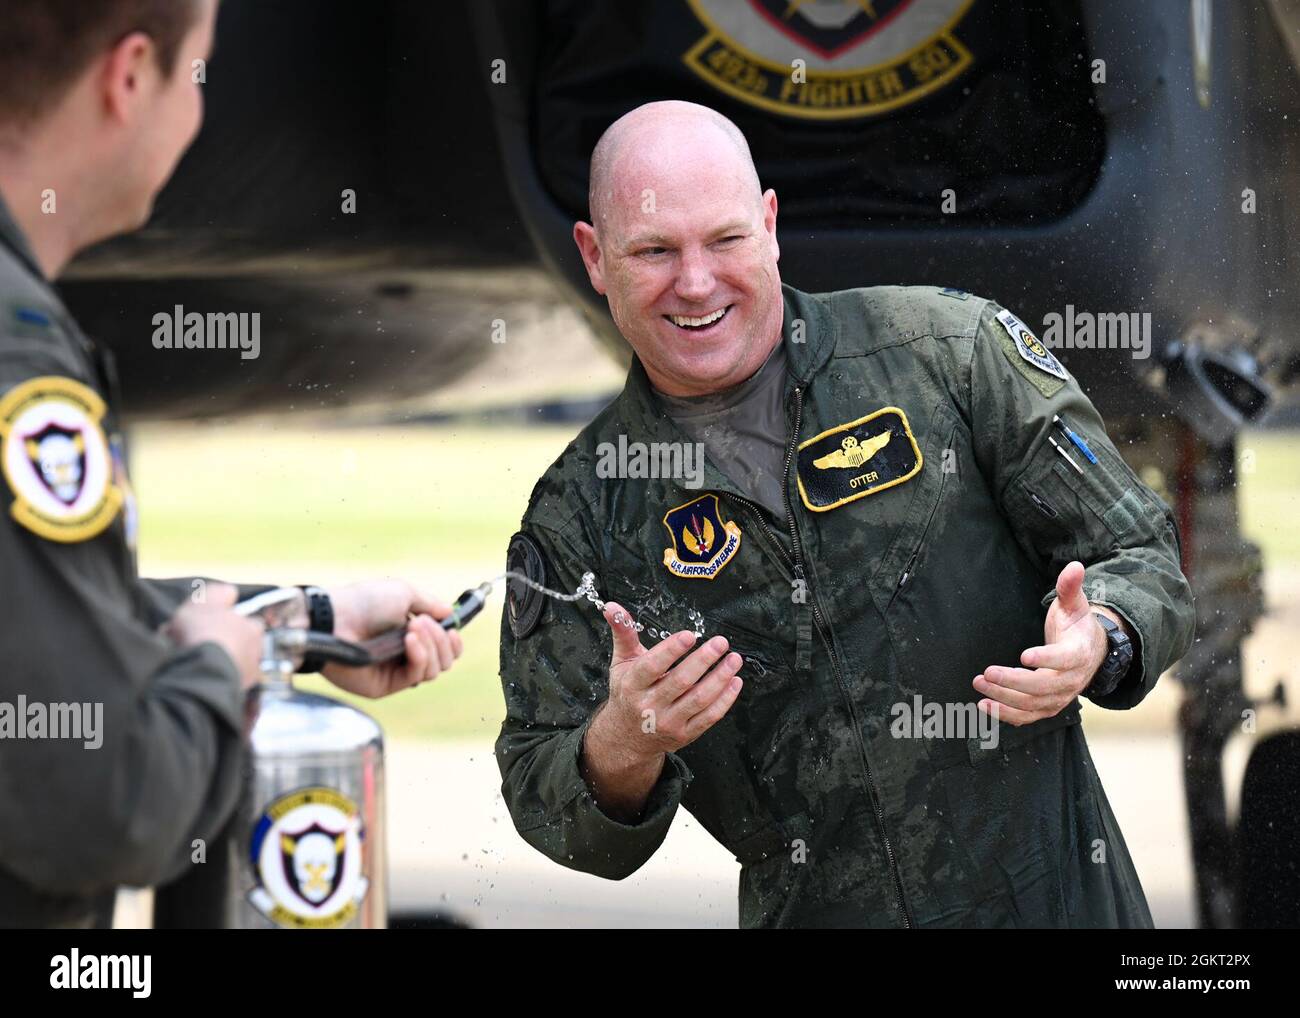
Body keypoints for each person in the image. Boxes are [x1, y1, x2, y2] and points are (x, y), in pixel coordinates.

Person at [496, 100, 1195, 928]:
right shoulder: (582, 510)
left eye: (724, 240)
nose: (695, 282)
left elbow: (1142, 553)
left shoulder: (948, 355)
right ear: (594, 257)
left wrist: (1101, 635)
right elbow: (545, 796)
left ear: (768, 224)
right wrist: (627, 737)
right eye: (653, 251)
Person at [0, 0, 462, 928]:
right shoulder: (20, 360)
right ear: (129, 78)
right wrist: (218, 677)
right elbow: (103, 807)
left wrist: (297, 623)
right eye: (197, 75)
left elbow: (30, 631)